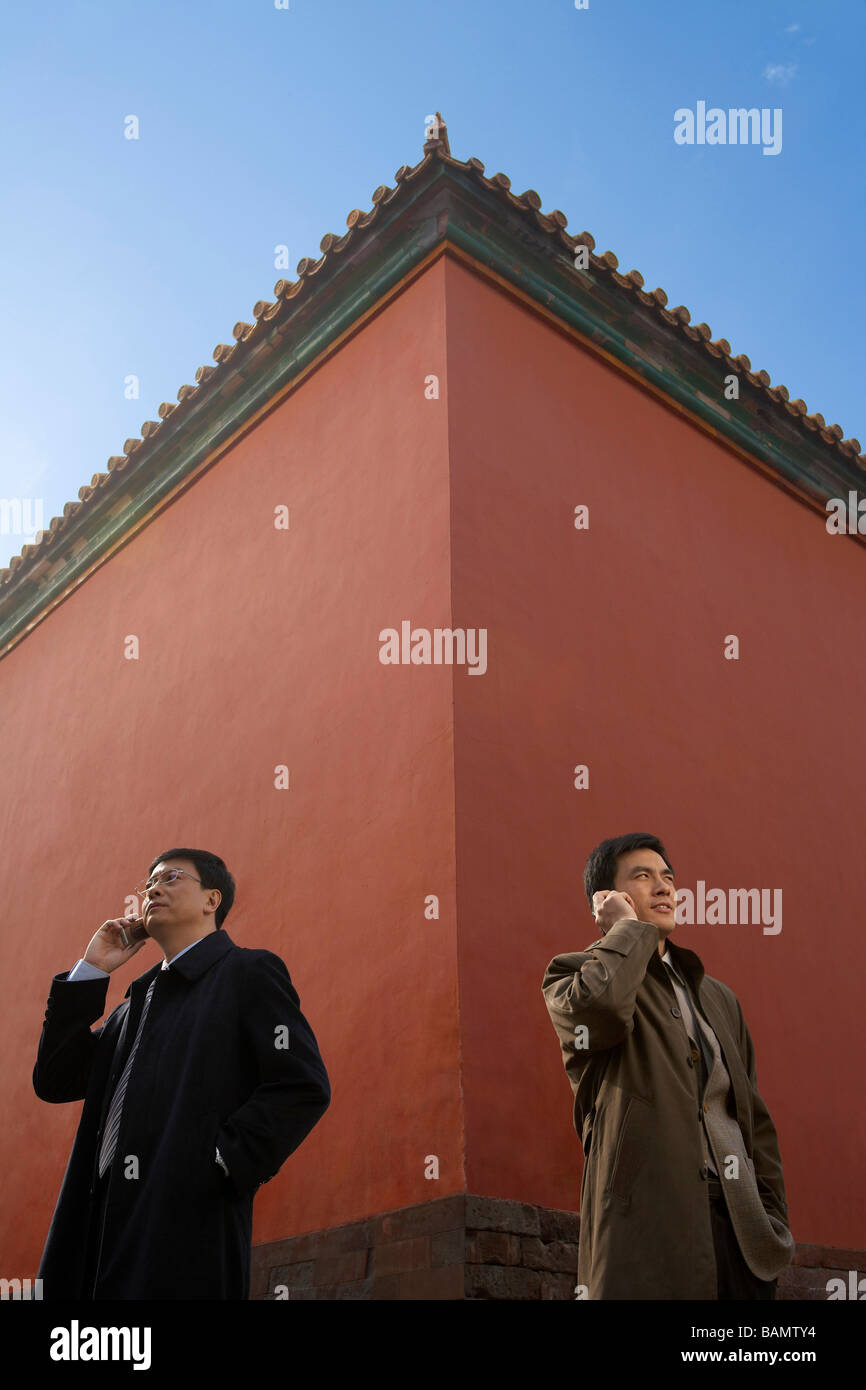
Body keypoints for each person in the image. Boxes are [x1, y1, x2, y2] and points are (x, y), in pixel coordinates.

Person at [33, 848, 330, 1300]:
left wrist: (217, 1163)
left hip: (183, 1222)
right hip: (96, 1230)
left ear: (212, 899)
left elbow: (301, 1085)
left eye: (171, 878)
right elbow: (55, 1079)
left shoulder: (246, 973)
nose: (152, 889)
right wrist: (92, 969)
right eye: (148, 883)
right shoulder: (129, 1011)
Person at [541, 832, 794, 1300]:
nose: (663, 888)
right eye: (642, 877)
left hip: (741, 1232)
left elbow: (753, 1120)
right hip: (647, 1229)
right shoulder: (573, 975)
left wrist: (772, 1215)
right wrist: (627, 932)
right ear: (607, 898)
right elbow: (601, 1013)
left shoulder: (719, 998)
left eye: (668, 878)